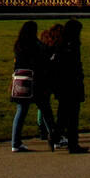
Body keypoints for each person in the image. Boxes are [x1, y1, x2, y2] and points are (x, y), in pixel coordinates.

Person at [10, 20, 57, 152]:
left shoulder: (19, 44)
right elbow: (44, 58)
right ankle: (55, 137)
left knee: (21, 112)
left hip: (20, 79)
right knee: (46, 110)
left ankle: (15, 142)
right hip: (36, 82)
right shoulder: (35, 45)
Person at [52, 17, 88, 153]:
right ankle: (72, 143)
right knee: (72, 116)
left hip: (64, 85)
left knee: (63, 115)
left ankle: (56, 136)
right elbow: (73, 67)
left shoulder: (62, 44)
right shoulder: (71, 45)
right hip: (71, 84)